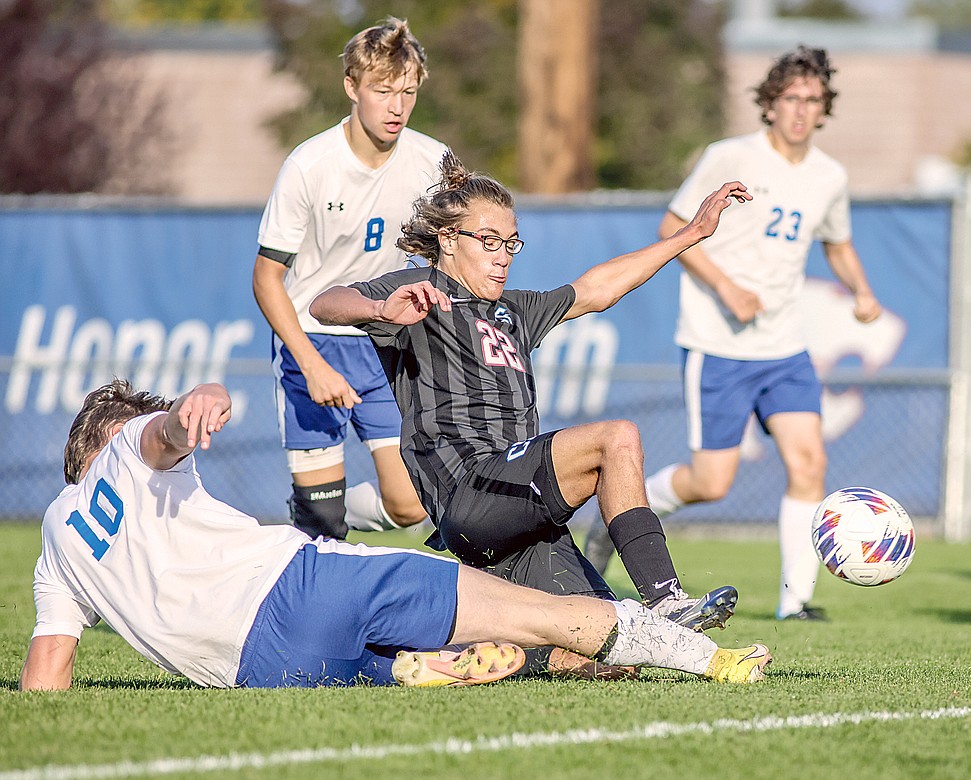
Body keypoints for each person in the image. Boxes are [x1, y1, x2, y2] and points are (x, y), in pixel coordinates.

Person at [19, 377, 773, 691]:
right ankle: (710, 660)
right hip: (298, 584)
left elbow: (49, 672)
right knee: (529, 610)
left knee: (377, 665)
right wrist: (196, 404)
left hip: (261, 673)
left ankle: (427, 665)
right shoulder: (123, 446)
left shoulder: (56, 547)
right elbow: (168, 430)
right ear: (101, 440)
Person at [309, 153, 750, 633]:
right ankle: (667, 600)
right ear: (449, 239)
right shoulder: (419, 291)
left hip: (520, 513)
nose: (502, 256)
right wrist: (378, 307)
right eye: (489, 241)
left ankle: (469, 646)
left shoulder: (514, 311)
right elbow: (324, 304)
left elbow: (596, 289)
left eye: (510, 243)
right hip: (472, 493)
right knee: (616, 437)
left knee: (610, 648)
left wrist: (691, 236)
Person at [583, 46, 882, 622]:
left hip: (785, 348)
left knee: (809, 463)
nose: (801, 109)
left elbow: (837, 242)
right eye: (791, 97)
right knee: (711, 481)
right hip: (717, 345)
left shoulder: (829, 176)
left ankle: (795, 602)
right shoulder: (729, 156)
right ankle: (617, 514)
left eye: (813, 99)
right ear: (769, 105)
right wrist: (726, 288)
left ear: (825, 110)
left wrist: (862, 291)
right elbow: (673, 226)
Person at [252, 17, 445, 541]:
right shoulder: (310, 165)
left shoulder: (434, 161)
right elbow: (267, 280)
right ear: (351, 87)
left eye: (408, 92)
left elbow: (454, 250)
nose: (397, 106)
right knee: (322, 529)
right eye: (382, 91)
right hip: (312, 342)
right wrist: (311, 366)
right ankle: (315, 523)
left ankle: (325, 516)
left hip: (385, 341)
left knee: (410, 507)